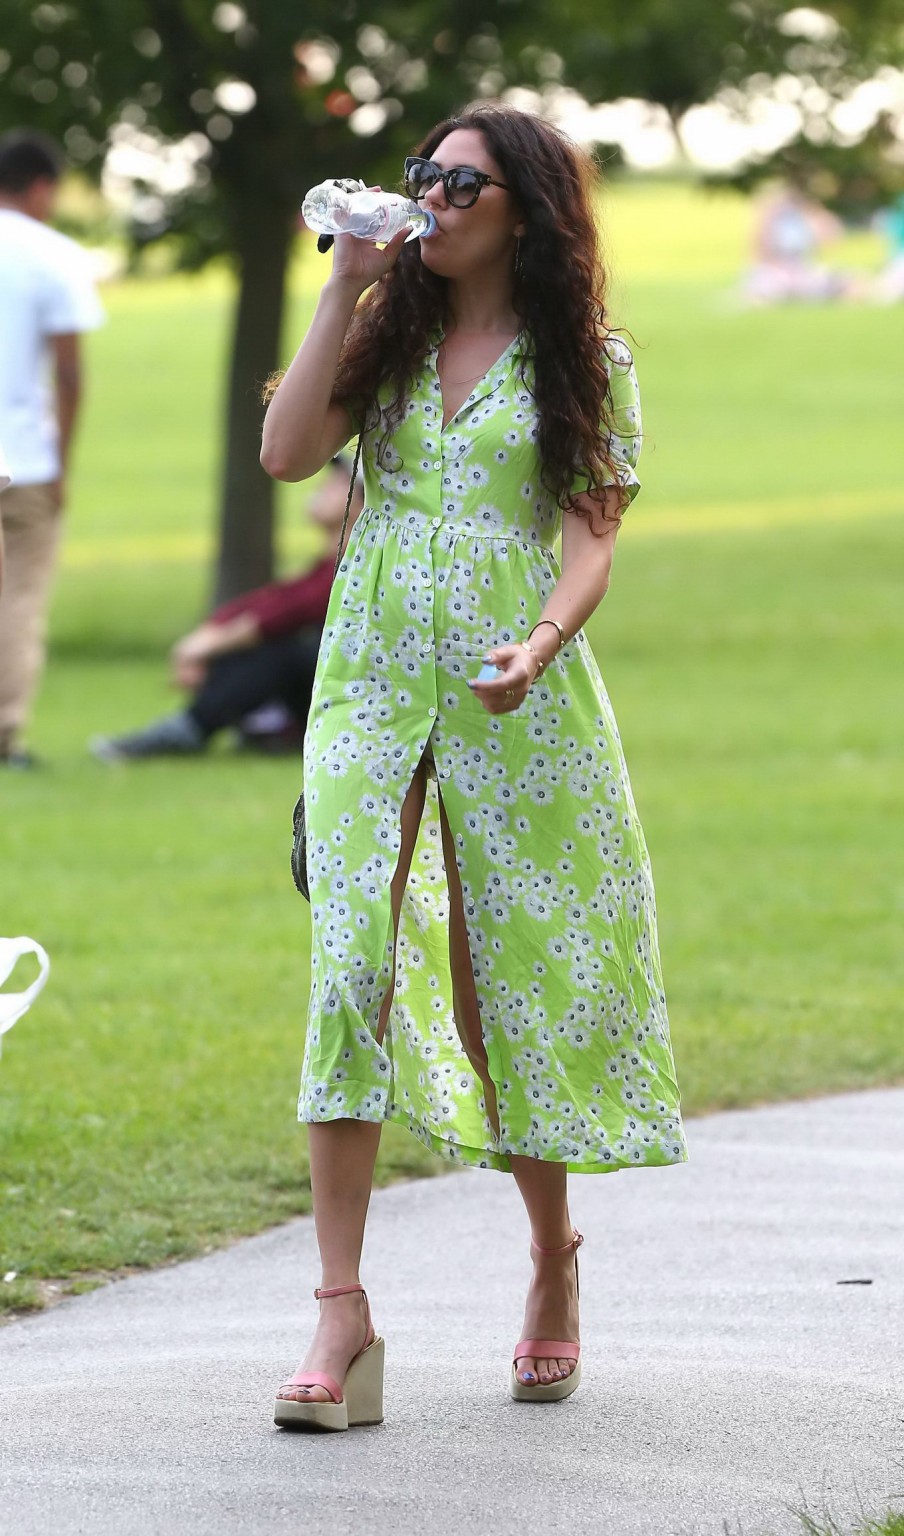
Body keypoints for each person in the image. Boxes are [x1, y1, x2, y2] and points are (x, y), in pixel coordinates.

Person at [261, 103, 687, 1431]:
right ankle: (341, 1311)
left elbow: (592, 537)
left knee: (498, 977)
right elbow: (285, 456)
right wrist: (340, 282)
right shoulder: (383, 331)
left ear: (526, 212)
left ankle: (553, 1261)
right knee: (349, 963)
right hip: (371, 681)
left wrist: (544, 640)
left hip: (518, 690)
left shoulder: (585, 360)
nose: (431, 201)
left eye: (462, 184)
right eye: (422, 178)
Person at [89, 457, 362, 762]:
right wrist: (213, 633)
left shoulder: (359, 565)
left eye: (338, 484)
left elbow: (290, 610)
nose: (323, 488)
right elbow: (272, 602)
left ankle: (192, 729)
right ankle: (258, 726)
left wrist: (205, 646)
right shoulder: (328, 564)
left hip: (361, 692)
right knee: (255, 646)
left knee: (284, 652)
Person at [0, 130, 104, 769]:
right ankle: (6, 730)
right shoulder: (53, 254)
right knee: (19, 598)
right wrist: (64, 462)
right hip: (26, 457)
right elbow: (67, 373)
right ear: (40, 187)